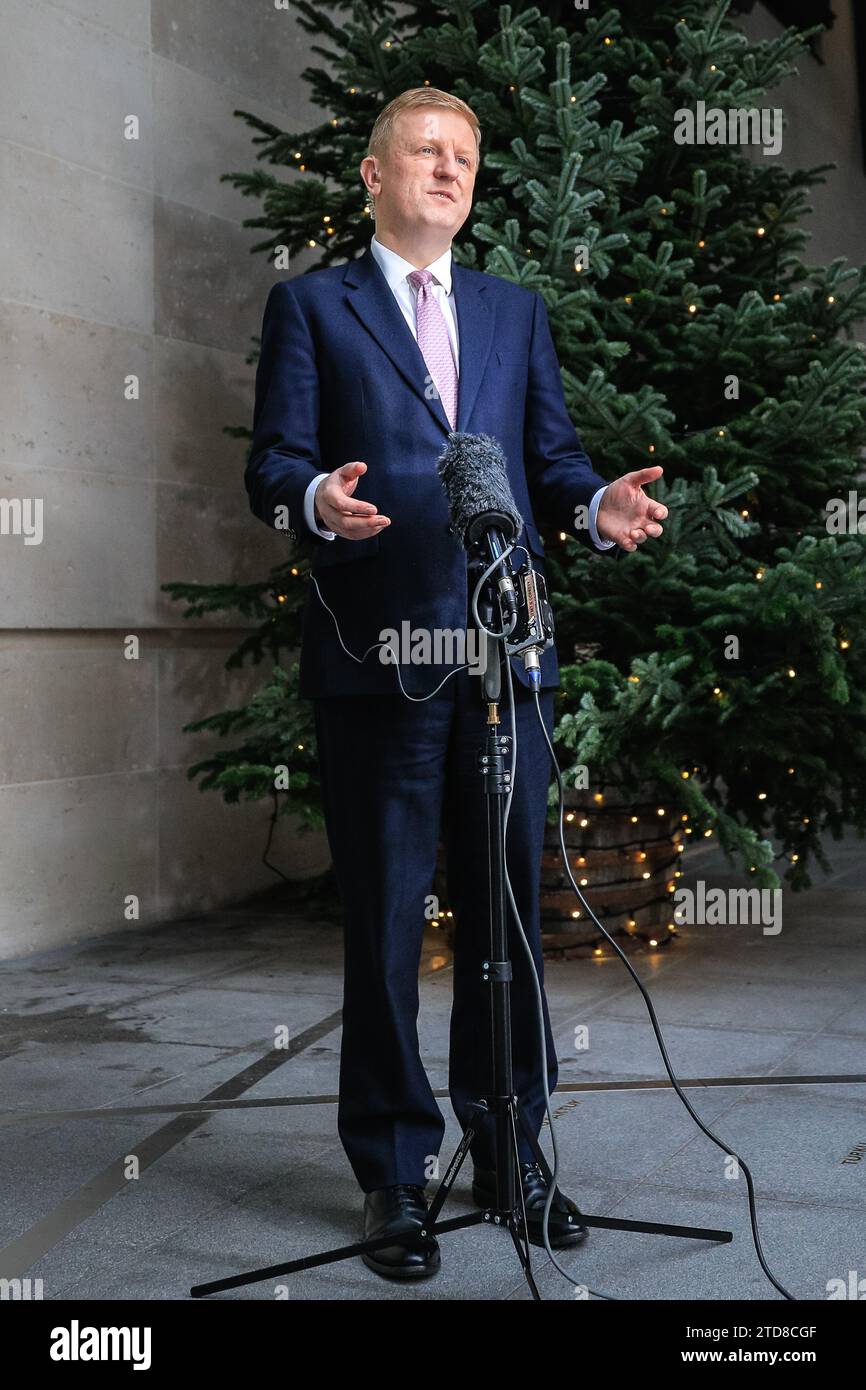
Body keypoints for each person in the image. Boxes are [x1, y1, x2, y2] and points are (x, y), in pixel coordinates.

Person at [246, 88, 667, 1280]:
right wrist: (313, 498)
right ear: (374, 176)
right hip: (378, 666)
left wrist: (595, 507)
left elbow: (551, 461)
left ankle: (512, 1153)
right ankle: (390, 1173)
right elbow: (268, 464)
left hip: (504, 661)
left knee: (505, 922)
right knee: (384, 925)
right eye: (425, 151)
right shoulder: (310, 308)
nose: (449, 169)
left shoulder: (510, 310)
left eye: (465, 157)